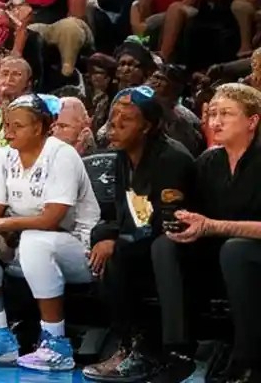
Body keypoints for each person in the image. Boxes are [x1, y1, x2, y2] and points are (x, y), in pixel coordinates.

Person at [0, 94, 101, 373]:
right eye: (7, 125)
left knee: (36, 241)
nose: (8, 132)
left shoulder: (62, 154)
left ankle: (56, 344)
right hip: (26, 243)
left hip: (80, 248)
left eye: (17, 126)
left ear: (38, 128)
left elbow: (51, 220)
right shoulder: (3, 156)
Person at [82, 86, 196, 382]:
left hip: (180, 246)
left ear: (147, 126)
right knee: (104, 249)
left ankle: (143, 350)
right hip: (144, 240)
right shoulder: (124, 156)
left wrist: (117, 240)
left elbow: (167, 222)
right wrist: (107, 235)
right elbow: (125, 213)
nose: (115, 124)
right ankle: (128, 344)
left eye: (127, 119)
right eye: (114, 116)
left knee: (119, 255)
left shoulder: (171, 159)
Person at [165, 83, 261, 381]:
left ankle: (248, 361)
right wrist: (180, 221)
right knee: (165, 246)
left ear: (252, 121)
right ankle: (177, 350)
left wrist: (212, 226)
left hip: (251, 251)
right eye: (212, 114)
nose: (215, 122)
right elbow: (194, 212)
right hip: (219, 250)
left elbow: (213, 225)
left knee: (236, 250)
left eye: (226, 114)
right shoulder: (208, 161)